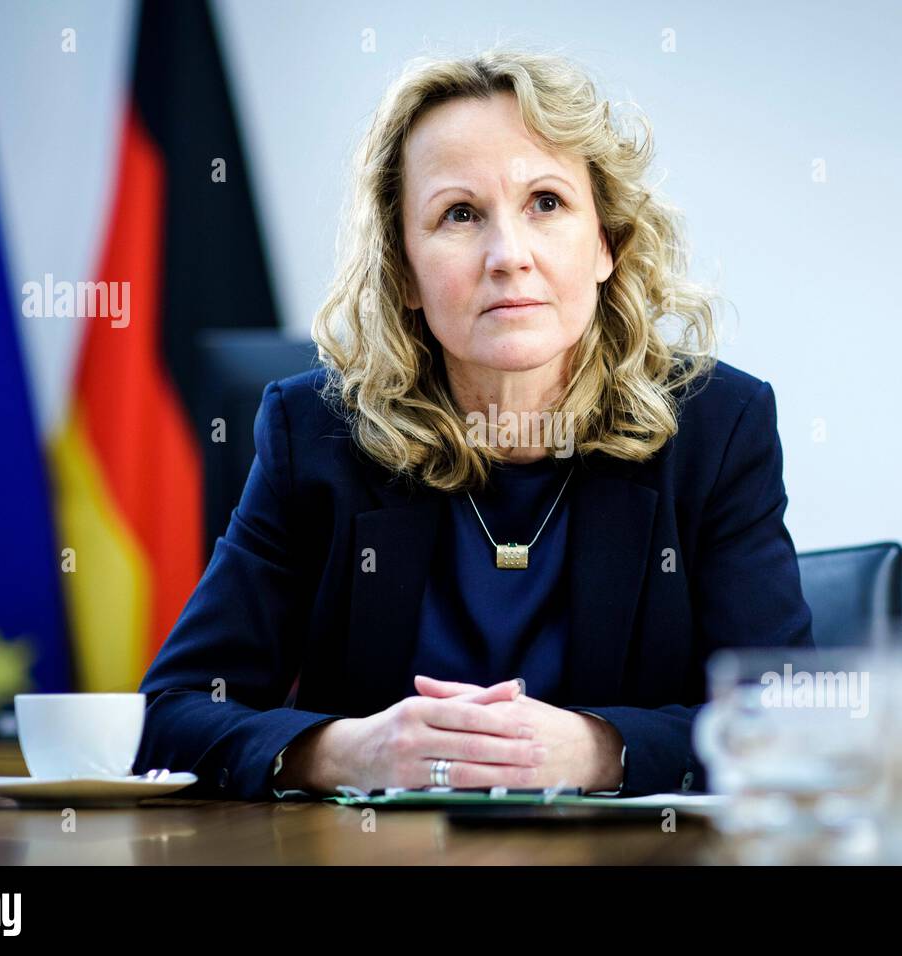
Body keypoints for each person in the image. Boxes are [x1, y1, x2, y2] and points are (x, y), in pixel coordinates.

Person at [135, 47, 814, 801]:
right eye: (459, 214)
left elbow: (784, 724)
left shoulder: (717, 430)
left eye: (547, 203)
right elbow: (169, 718)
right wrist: (347, 752)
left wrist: (599, 750)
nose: (507, 256)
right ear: (405, 274)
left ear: (606, 245)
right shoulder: (312, 436)